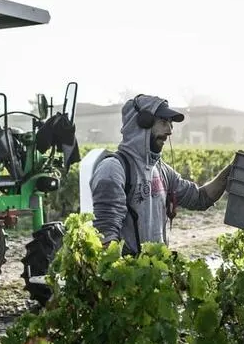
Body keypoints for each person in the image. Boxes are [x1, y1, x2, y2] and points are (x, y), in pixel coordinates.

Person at [90, 94, 233, 255]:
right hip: (129, 276)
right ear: (142, 122)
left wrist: (230, 171)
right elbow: (106, 236)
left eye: (171, 124)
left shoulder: (161, 169)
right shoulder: (113, 170)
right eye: (164, 122)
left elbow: (199, 198)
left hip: (156, 274)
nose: (170, 131)